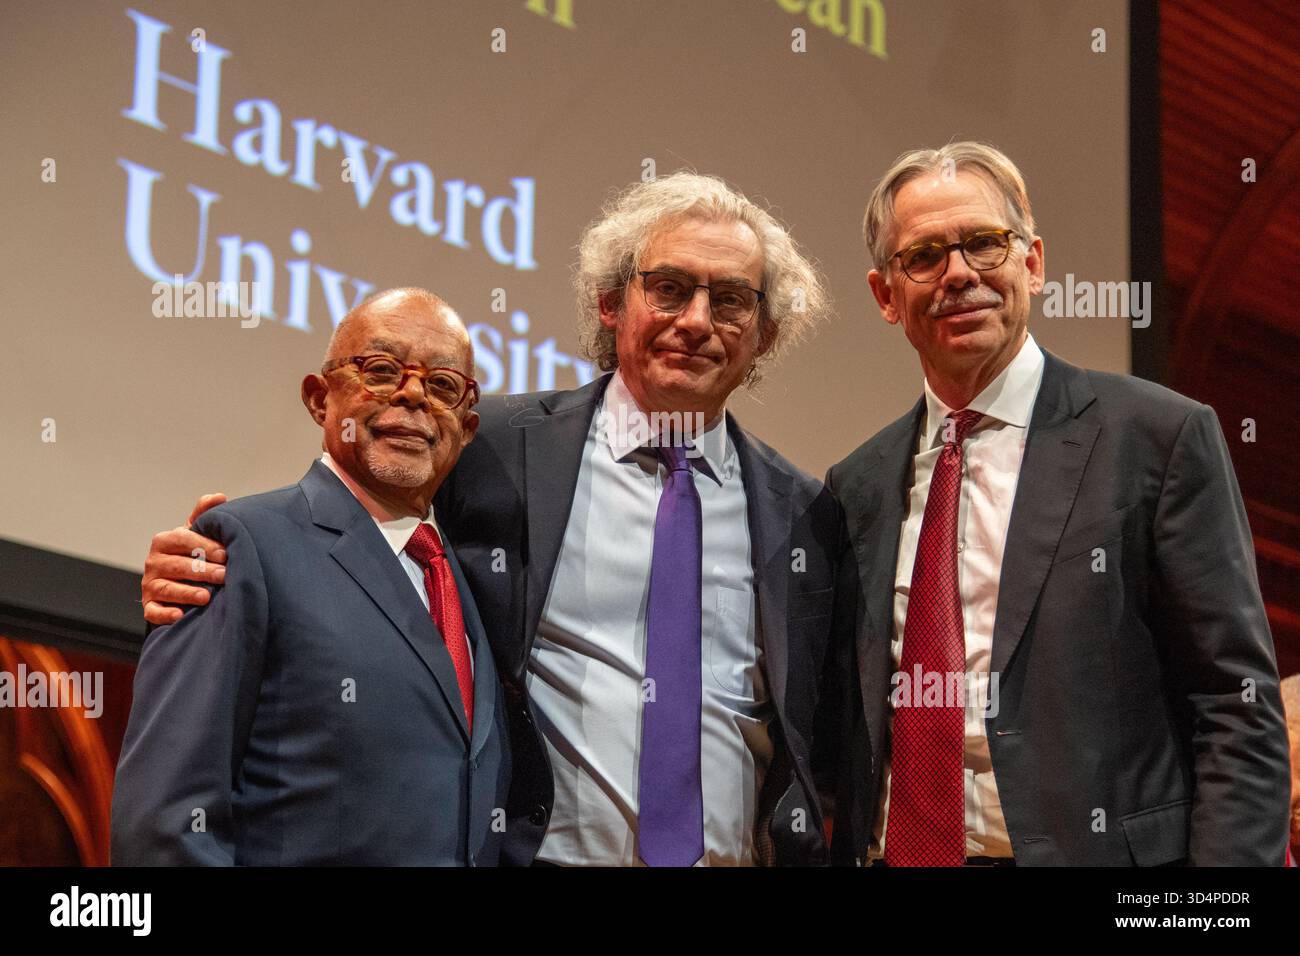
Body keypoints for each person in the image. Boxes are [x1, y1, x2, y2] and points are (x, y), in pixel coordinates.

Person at [140, 173, 845, 866]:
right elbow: (360, 499)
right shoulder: (498, 447)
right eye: (668, 288)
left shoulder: (805, 514)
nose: (695, 321)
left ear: (765, 334)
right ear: (609, 304)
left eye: (729, 300)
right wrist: (210, 560)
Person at [820, 142, 1292, 866]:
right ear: (886, 295)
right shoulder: (856, 487)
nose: (959, 274)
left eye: (984, 243)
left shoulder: (1156, 437)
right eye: (924, 257)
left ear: (1032, 264)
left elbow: (1235, 706)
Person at [114, 288, 511, 865]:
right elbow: (166, 818)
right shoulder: (242, 545)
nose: (413, 394)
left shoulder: (471, 583)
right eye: (380, 370)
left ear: (467, 428)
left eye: (444, 385)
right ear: (319, 399)